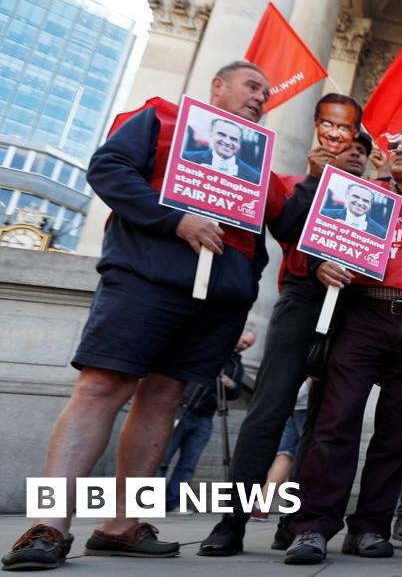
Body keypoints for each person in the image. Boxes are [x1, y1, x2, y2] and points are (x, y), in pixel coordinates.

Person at [1, 60, 317, 572]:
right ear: (218, 86)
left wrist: (323, 178)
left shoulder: (260, 165)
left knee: (164, 397)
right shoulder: (161, 118)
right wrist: (176, 220)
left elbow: (289, 221)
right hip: (146, 278)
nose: (261, 97)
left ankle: (121, 526)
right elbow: (108, 170)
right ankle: (48, 526)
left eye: (266, 91)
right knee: (102, 387)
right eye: (251, 86)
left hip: (218, 298)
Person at [198, 98, 372, 558]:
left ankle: (297, 524)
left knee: (326, 418)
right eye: (346, 141)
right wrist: (316, 182)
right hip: (302, 298)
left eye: (362, 148)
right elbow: (284, 228)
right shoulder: (298, 183)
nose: (353, 151)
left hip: (353, 310)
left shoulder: (377, 204)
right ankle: (232, 521)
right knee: (270, 409)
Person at [283, 126, 402, 564]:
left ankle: (370, 528)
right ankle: (312, 527)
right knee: (336, 422)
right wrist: (320, 265)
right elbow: (316, 244)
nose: (398, 151)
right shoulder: (360, 193)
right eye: (395, 145)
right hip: (361, 318)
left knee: (395, 435)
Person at [157, 330, 251, 512]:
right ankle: (151, 500)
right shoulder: (211, 349)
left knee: (188, 465)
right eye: (243, 340)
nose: (244, 345)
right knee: (162, 458)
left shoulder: (236, 366)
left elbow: (235, 392)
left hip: (205, 417)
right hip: (182, 409)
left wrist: (230, 384)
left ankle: (173, 503)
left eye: (248, 345)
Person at [250, 380, 311, 522]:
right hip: (307, 402)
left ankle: (261, 505)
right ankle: (307, 507)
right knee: (310, 453)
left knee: (286, 453)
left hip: (293, 402)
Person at [182, 117, 262, 184]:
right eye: (222, 135)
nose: (227, 142)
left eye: (233, 139)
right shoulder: (187, 158)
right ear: (211, 133)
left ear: (240, 143)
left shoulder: (253, 176)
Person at [324, 182, 388, 239]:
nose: (360, 203)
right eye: (356, 197)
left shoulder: (380, 232)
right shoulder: (325, 214)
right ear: (347, 195)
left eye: (365, 201)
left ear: (370, 204)